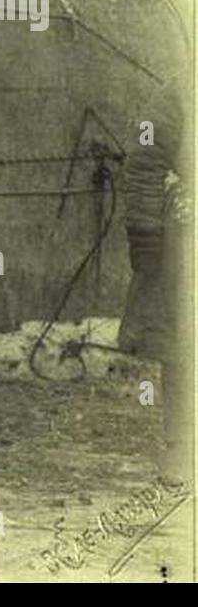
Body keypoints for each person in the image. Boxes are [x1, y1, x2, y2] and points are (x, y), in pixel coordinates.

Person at [119, 77, 193, 482]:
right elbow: (145, 161)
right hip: (190, 234)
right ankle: (182, 445)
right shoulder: (180, 90)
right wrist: (147, 234)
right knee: (182, 344)